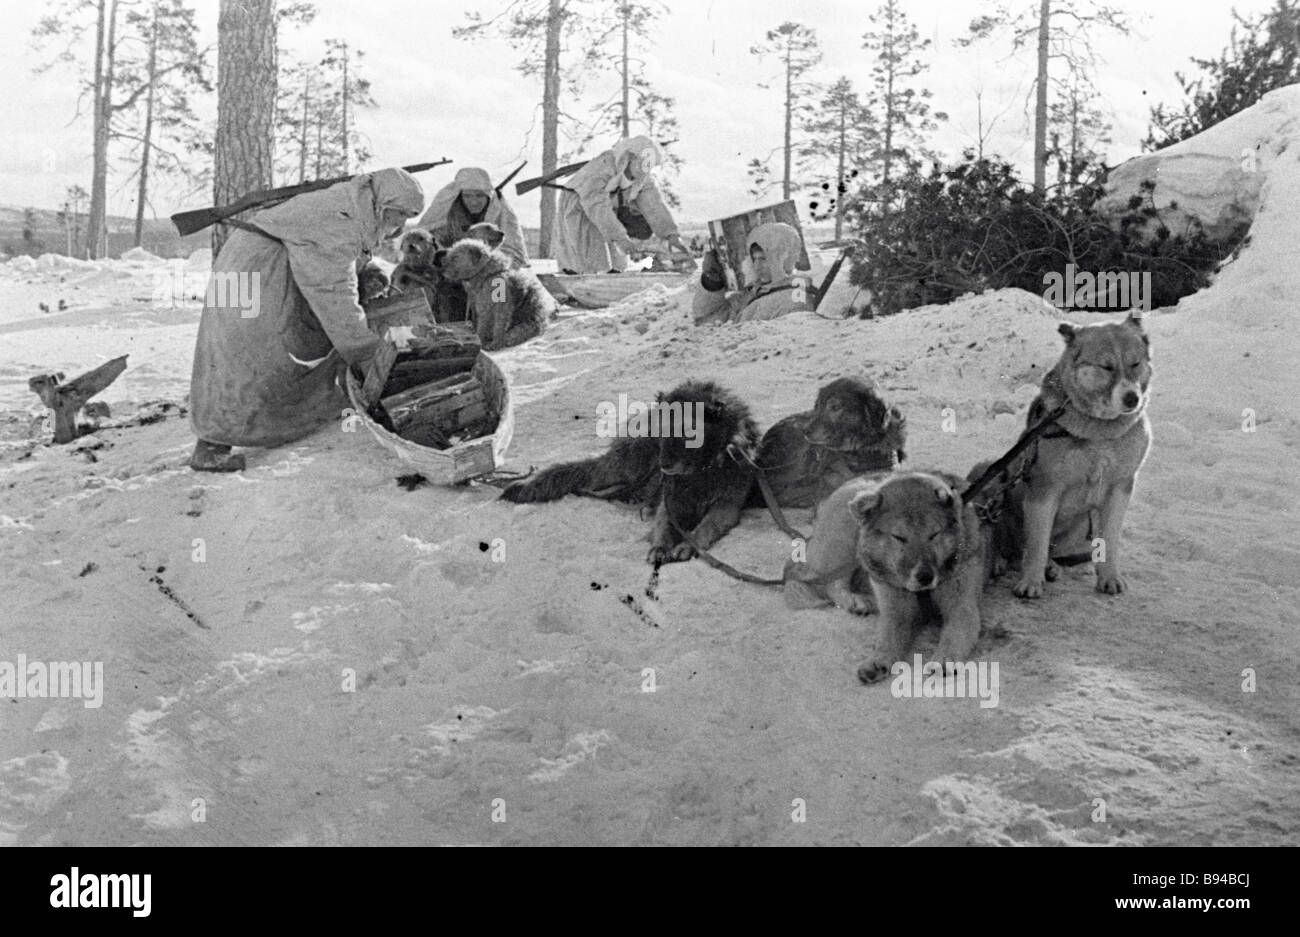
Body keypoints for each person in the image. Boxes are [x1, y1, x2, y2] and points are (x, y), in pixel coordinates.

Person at [188, 167, 425, 472]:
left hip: (249, 263)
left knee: (238, 354)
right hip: (259, 271)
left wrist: (367, 269)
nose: (400, 223)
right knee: (249, 356)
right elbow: (332, 289)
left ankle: (236, 431)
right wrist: (365, 350)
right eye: (398, 213)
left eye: (408, 215)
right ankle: (212, 446)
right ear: (381, 205)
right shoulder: (341, 216)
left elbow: (336, 257)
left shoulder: (351, 205)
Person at [553, 135, 689, 274]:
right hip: (579, 205)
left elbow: (653, 205)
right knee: (590, 259)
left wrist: (671, 235)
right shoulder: (603, 167)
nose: (644, 169)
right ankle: (585, 285)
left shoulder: (642, 177)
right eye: (642, 162)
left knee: (617, 263)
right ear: (630, 157)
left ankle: (615, 285)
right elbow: (596, 205)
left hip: (605, 211)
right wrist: (620, 238)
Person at [693, 221, 811, 326]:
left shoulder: (796, 299)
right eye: (754, 259)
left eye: (764, 259)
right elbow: (706, 320)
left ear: (784, 257)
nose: (757, 266)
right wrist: (712, 282)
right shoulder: (754, 292)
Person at [418, 167, 528, 268]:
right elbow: (426, 244)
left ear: (488, 197)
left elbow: (513, 255)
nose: (474, 202)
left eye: (479, 196)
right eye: (467, 196)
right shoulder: (447, 215)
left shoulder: (501, 213)